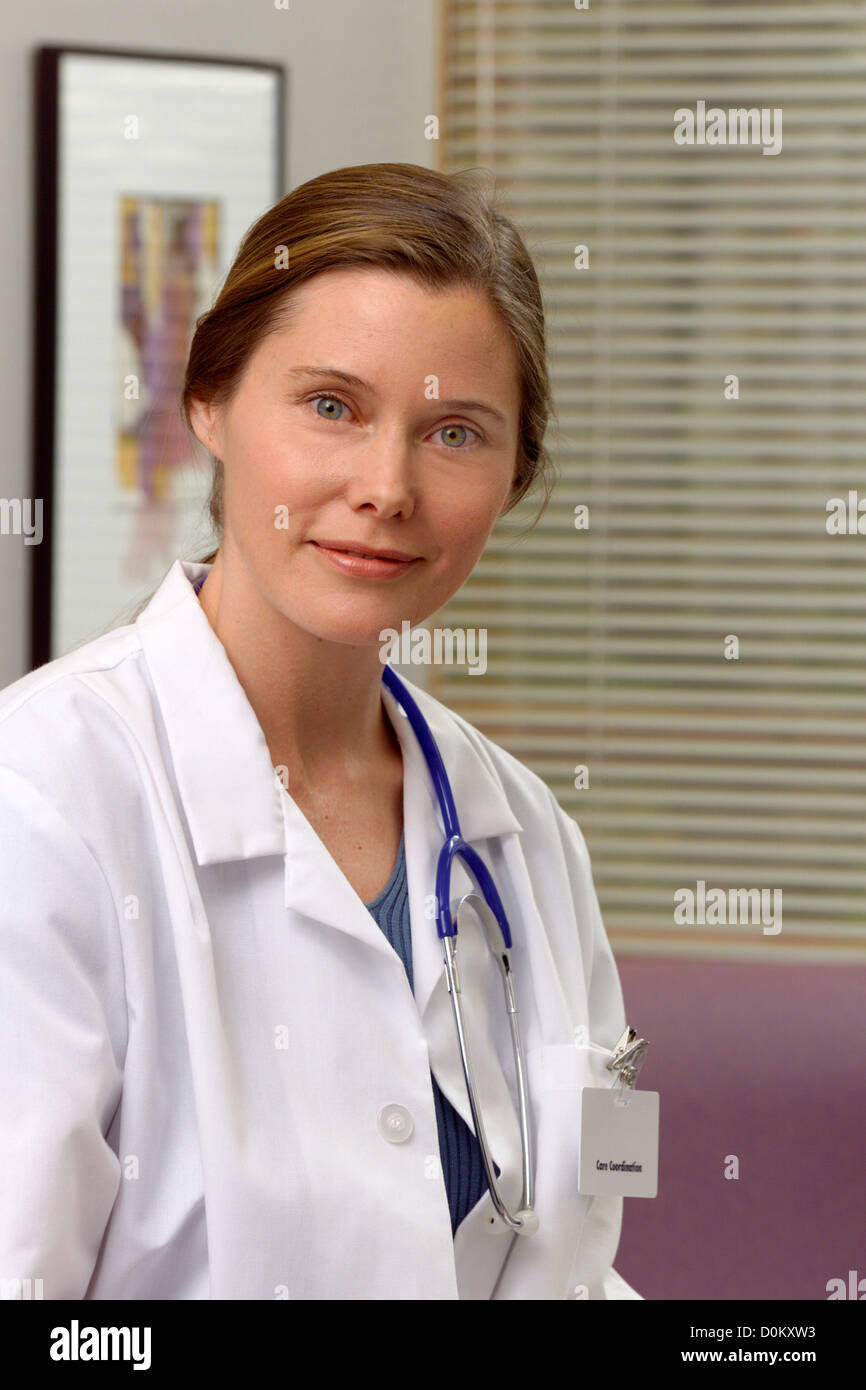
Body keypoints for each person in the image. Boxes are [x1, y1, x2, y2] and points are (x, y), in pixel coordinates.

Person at [0, 163, 641, 1300]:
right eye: (331, 405)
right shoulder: (45, 795)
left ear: (512, 474)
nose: (385, 486)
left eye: (453, 432)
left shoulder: (523, 837)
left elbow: (569, 1272)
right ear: (207, 401)